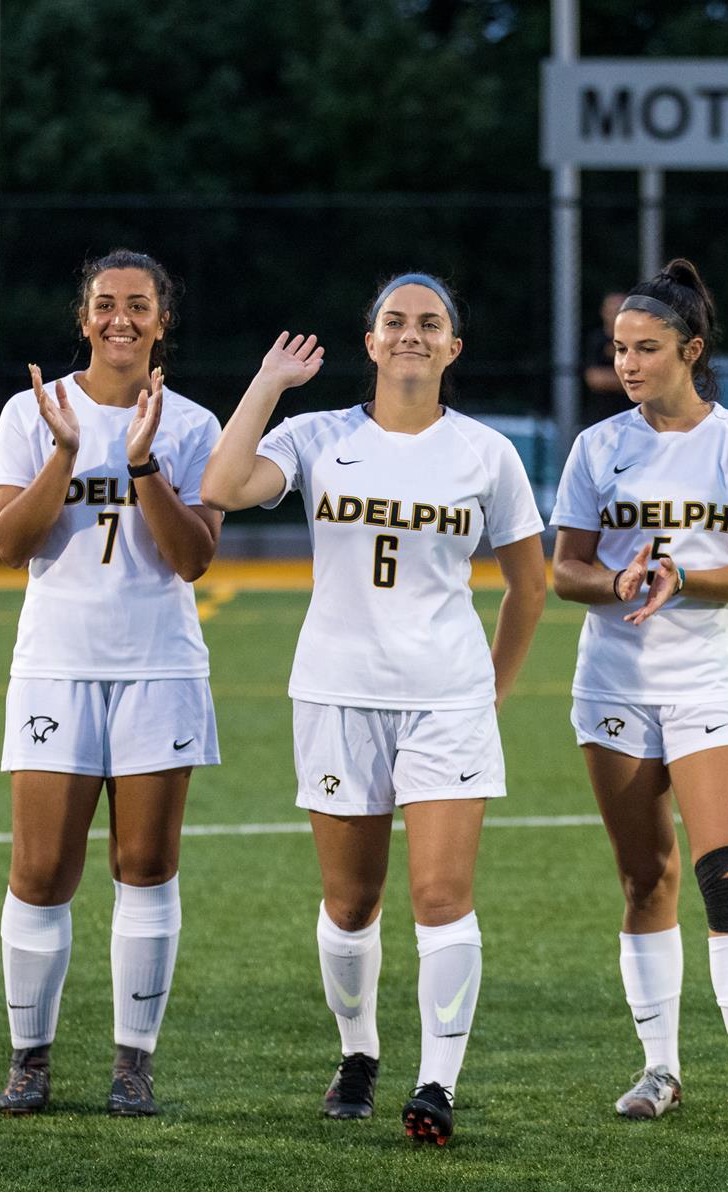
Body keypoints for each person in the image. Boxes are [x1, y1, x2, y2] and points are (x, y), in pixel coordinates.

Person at [201, 273, 546, 1145]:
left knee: (440, 894)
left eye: (430, 324)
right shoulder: (318, 435)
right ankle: (358, 1053)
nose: (412, 335)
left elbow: (529, 584)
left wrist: (492, 688)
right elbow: (225, 483)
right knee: (352, 904)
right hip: (336, 693)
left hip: (446, 700)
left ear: (453, 347)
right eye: (395, 322)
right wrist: (269, 384)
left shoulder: (486, 453)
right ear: (370, 340)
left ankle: (436, 1083)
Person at [549, 259, 728, 1135]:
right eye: (619, 348)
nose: (629, 363)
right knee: (644, 877)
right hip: (612, 686)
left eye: (647, 348)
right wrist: (614, 584)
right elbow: (564, 568)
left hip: (706, 686)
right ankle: (660, 1070)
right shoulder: (596, 447)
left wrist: (681, 575)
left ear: (691, 350)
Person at [0, 250, 222, 1117]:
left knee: (145, 866)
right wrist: (68, 452)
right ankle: (30, 1062)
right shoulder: (32, 412)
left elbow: (193, 557)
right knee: (41, 870)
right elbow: (11, 543)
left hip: (158, 666)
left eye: (139, 306)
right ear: (83, 319)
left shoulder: (192, 423)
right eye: (105, 305)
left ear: (163, 322)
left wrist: (145, 461)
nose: (121, 319)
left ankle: (132, 1065)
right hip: (57, 664)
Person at [582, 292, 629, 425]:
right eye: (612, 310)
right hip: (602, 418)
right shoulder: (596, 340)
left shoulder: (635, 341)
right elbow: (594, 379)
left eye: (620, 310)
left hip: (633, 418)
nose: (615, 314)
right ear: (603, 312)